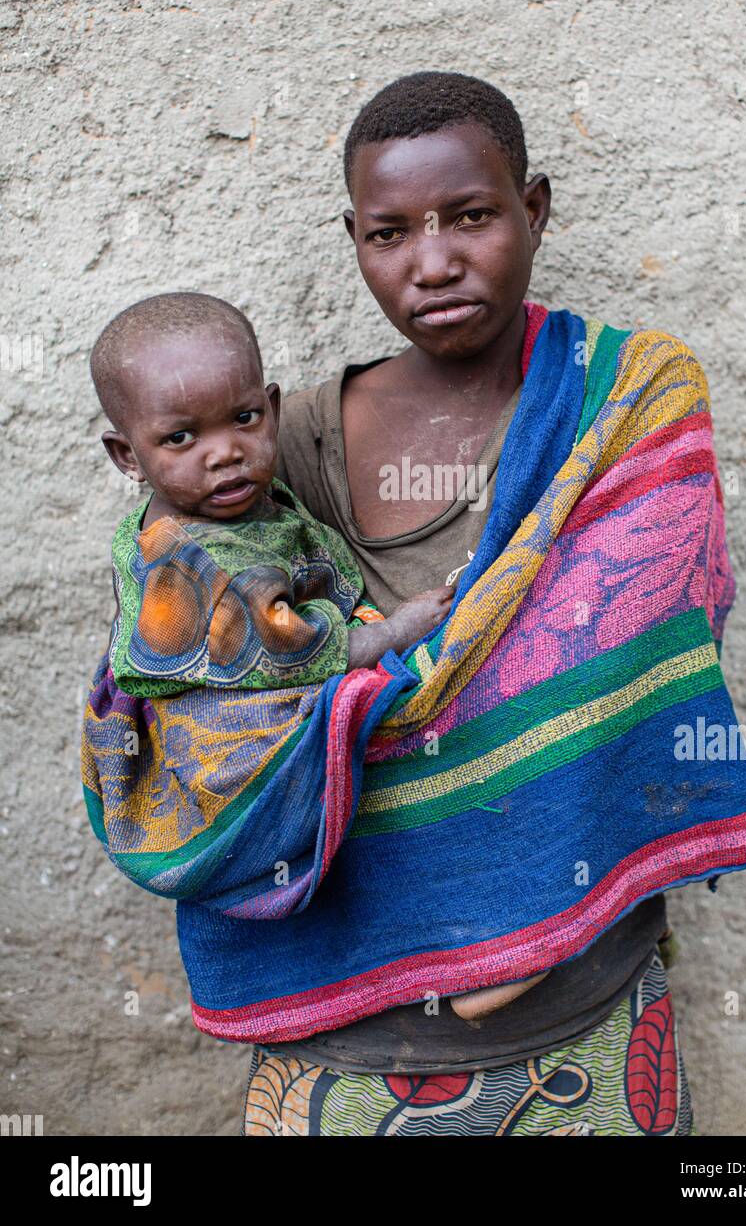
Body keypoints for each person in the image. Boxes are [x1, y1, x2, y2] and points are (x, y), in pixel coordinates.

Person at [244, 71, 688, 1133]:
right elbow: (222, 685)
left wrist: (374, 692)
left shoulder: (624, 396)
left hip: (582, 1004)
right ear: (353, 237)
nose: (431, 262)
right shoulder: (281, 442)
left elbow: (628, 657)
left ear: (531, 208)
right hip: (342, 1025)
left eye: (472, 216)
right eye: (388, 233)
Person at [88, 290, 453, 696]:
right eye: (180, 437)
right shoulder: (197, 562)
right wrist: (399, 631)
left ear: (273, 409)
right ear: (128, 456)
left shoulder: (232, 501)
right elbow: (293, 652)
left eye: (245, 418)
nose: (226, 453)